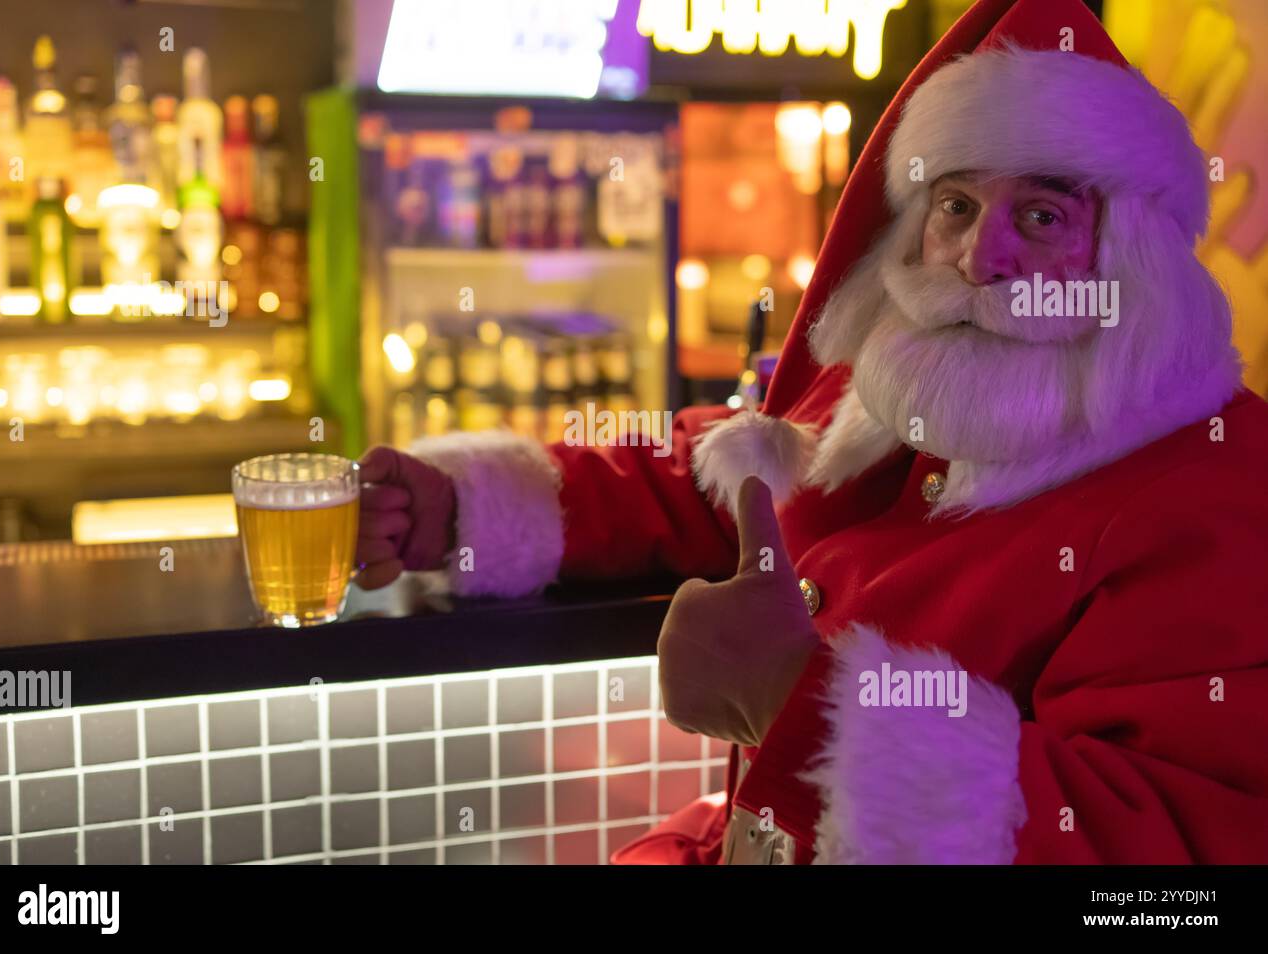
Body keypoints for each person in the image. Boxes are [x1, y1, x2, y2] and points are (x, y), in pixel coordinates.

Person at [354, 0, 1268, 864]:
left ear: (1135, 257)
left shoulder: (1214, 488)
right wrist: (463, 510)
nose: (980, 256)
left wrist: (804, 706)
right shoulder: (911, 384)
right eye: (956, 205)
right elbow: (723, 473)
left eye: (1041, 215)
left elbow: (1179, 865)